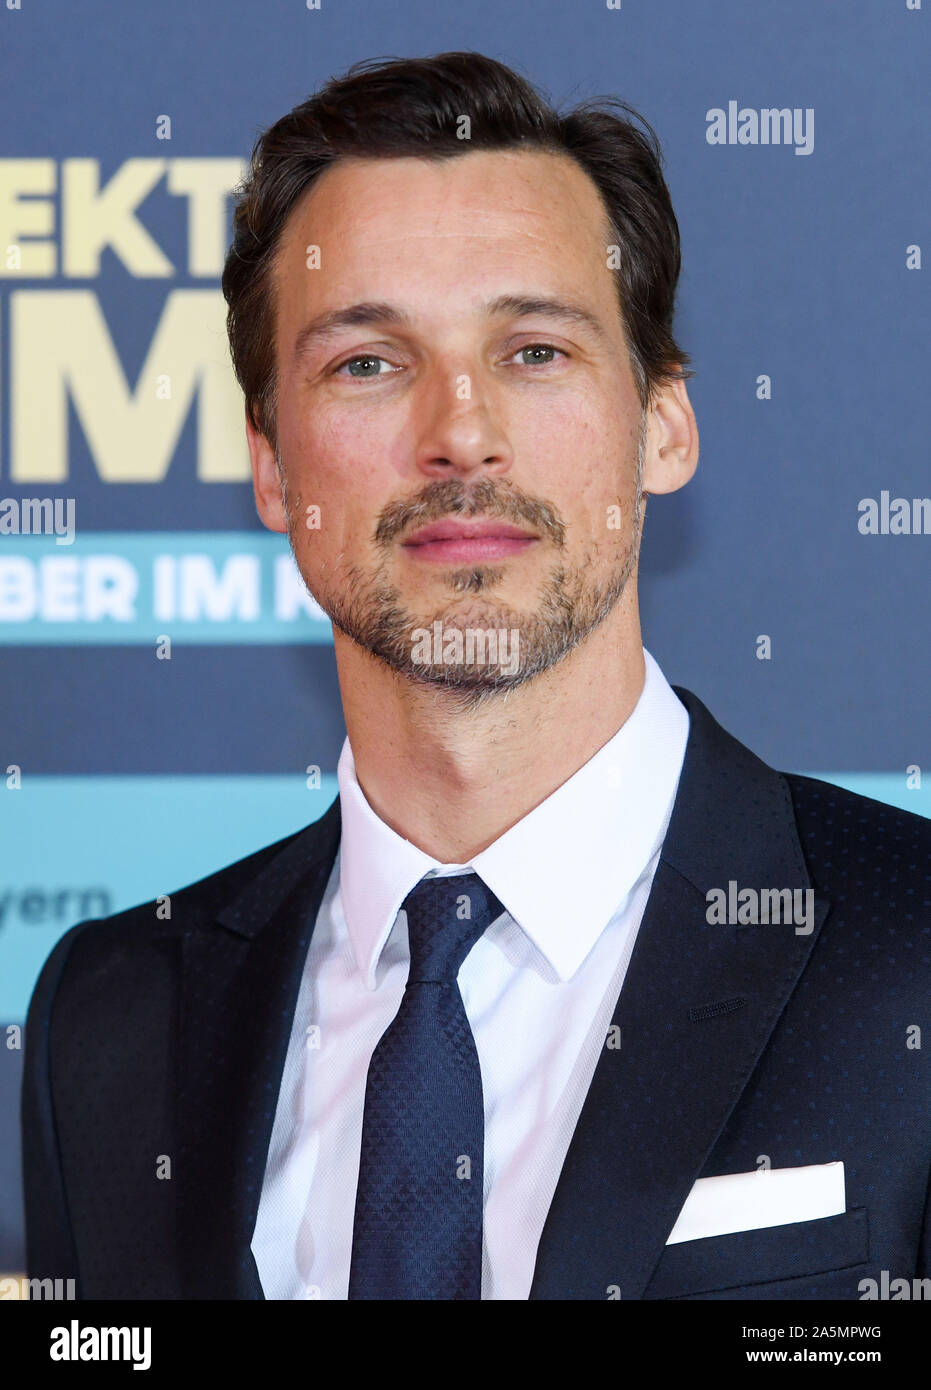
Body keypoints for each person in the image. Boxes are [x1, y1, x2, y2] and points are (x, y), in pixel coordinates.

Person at [21, 51, 931, 1301]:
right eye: (366, 363)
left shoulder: (909, 946)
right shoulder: (110, 1017)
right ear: (273, 468)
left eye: (536, 350)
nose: (457, 430)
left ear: (661, 423)